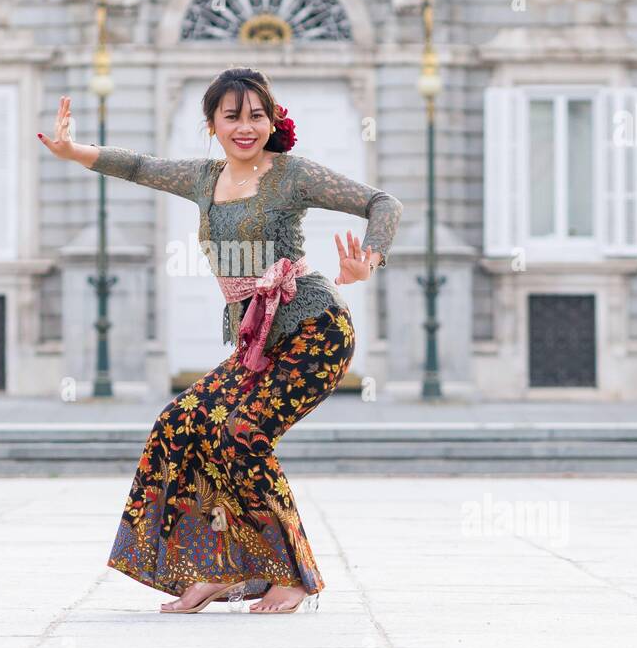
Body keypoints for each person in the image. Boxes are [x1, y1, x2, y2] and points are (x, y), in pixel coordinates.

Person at [38, 67, 402, 614]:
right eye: (231, 116)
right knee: (180, 424)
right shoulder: (203, 180)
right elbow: (138, 166)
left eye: (257, 115)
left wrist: (367, 259)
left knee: (241, 435)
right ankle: (216, 568)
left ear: (273, 119)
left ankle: (291, 575)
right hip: (258, 343)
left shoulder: (291, 175)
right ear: (212, 124)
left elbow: (383, 203)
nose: (245, 127)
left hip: (315, 331)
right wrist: (73, 152)